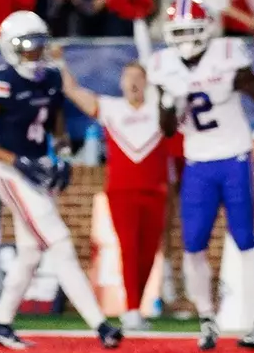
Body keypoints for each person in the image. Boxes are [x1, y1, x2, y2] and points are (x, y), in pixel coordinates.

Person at [0, 11, 122, 350]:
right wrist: (17, 160)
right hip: (9, 172)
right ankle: (100, 324)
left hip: (38, 170)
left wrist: (63, 155)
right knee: (60, 242)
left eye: (39, 47)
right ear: (10, 48)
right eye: (27, 48)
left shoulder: (51, 78)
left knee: (30, 253)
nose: (34, 55)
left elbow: (57, 123)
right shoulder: (1, 80)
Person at [150, 0, 254, 350]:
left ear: (207, 29)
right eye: (179, 32)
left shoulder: (227, 55)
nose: (186, 38)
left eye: (192, 30)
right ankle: (207, 317)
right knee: (193, 245)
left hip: (234, 157)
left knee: (245, 240)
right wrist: (167, 103)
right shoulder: (163, 66)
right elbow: (167, 131)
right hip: (197, 164)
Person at [59, 56, 170, 331]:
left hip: (156, 190)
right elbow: (74, 92)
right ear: (121, 82)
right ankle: (131, 310)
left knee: (148, 252)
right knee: (128, 247)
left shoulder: (160, 109)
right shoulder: (111, 107)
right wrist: (61, 62)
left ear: (147, 83)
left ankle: (137, 306)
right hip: (122, 191)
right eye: (128, 77)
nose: (133, 82)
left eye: (138, 77)